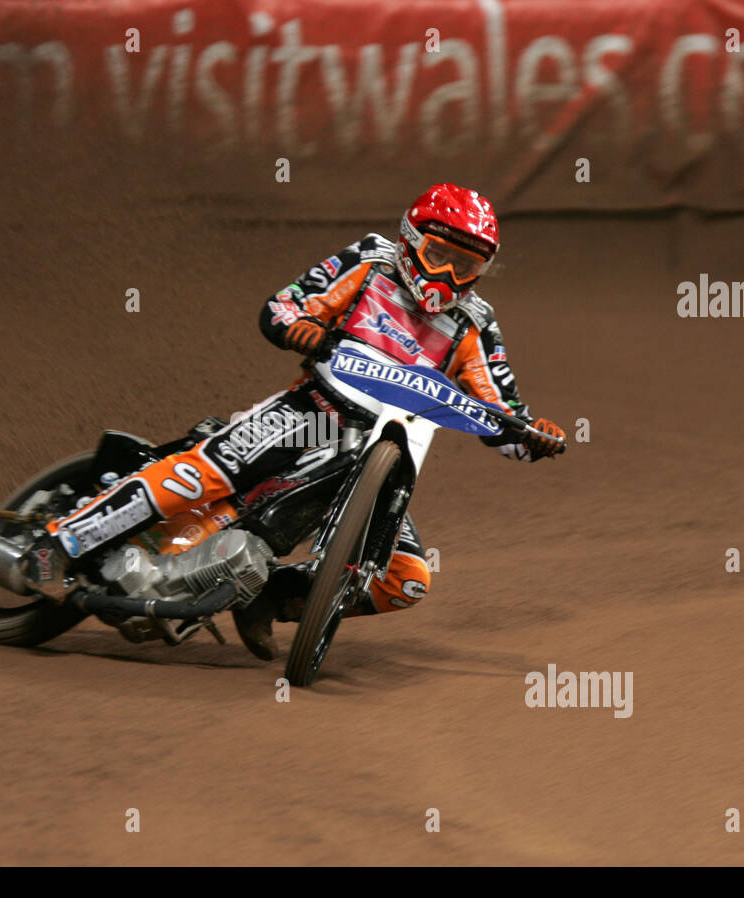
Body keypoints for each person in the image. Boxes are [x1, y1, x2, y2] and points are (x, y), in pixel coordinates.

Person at [48, 183, 565, 658]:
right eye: (439, 256)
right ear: (410, 241)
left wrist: (535, 435)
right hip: (315, 411)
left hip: (381, 458)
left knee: (407, 578)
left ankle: (266, 597)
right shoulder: (371, 262)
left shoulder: (476, 323)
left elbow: (505, 420)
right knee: (201, 475)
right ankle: (64, 537)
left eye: (466, 265)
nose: (449, 275)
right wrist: (305, 331)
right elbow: (283, 308)